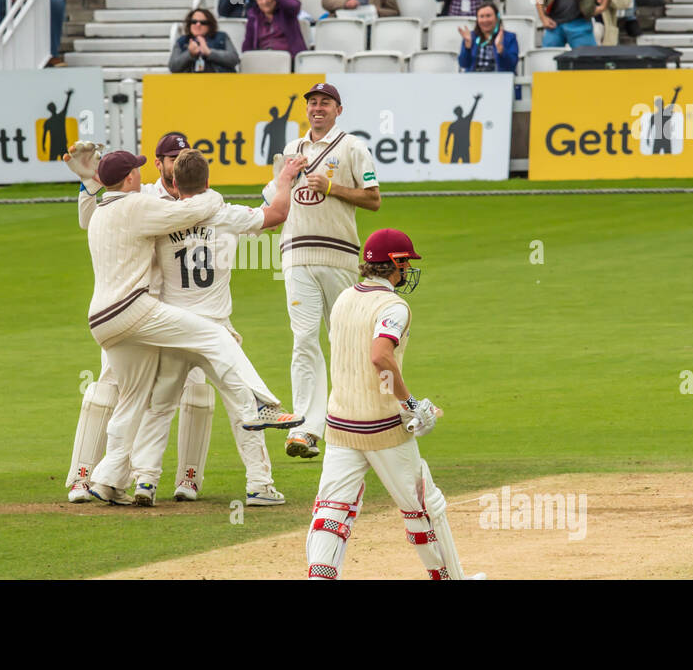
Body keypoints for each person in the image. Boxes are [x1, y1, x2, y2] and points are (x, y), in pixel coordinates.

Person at [82, 151, 303, 504]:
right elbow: (276, 214)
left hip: (167, 330)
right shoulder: (221, 213)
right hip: (208, 324)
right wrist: (285, 179)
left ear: (172, 183)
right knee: (240, 407)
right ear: (208, 181)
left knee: (157, 407)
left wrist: (88, 185)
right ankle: (259, 483)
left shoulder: (158, 220)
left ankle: (144, 482)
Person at [305, 228, 482, 580]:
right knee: (423, 506)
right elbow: (380, 356)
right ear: (395, 264)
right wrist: (411, 404)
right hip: (382, 426)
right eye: (406, 263)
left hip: (340, 423)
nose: (408, 271)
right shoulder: (394, 306)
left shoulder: (343, 298)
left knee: (331, 510)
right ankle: (450, 578)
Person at [270, 83, 381, 460]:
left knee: (344, 340)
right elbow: (274, 197)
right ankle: (305, 427)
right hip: (296, 253)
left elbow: (374, 199)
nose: (318, 108)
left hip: (339, 255)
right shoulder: (290, 150)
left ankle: (357, 419)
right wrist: (285, 177)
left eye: (325, 103)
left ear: (338, 109)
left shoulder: (352, 147)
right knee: (303, 338)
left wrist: (332, 187)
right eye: (313, 103)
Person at [243, 0, 308, 57]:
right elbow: (247, 45)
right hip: (263, 60)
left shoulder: (285, 10)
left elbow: (295, 5)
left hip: (290, 60)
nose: (265, 2)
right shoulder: (253, 16)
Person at [169, 8, 240, 73]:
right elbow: (173, 67)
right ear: (189, 24)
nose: (198, 24)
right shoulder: (182, 41)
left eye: (203, 22)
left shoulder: (221, 37)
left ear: (210, 25)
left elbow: (234, 59)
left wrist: (209, 52)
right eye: (194, 22)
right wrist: (189, 54)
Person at [458, 2, 516, 72]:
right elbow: (464, 64)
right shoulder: (470, 37)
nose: (485, 20)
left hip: (499, 79)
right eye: (481, 16)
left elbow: (512, 65)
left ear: (497, 18)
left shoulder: (509, 37)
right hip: (474, 80)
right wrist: (467, 47)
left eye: (488, 16)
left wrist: (500, 49)